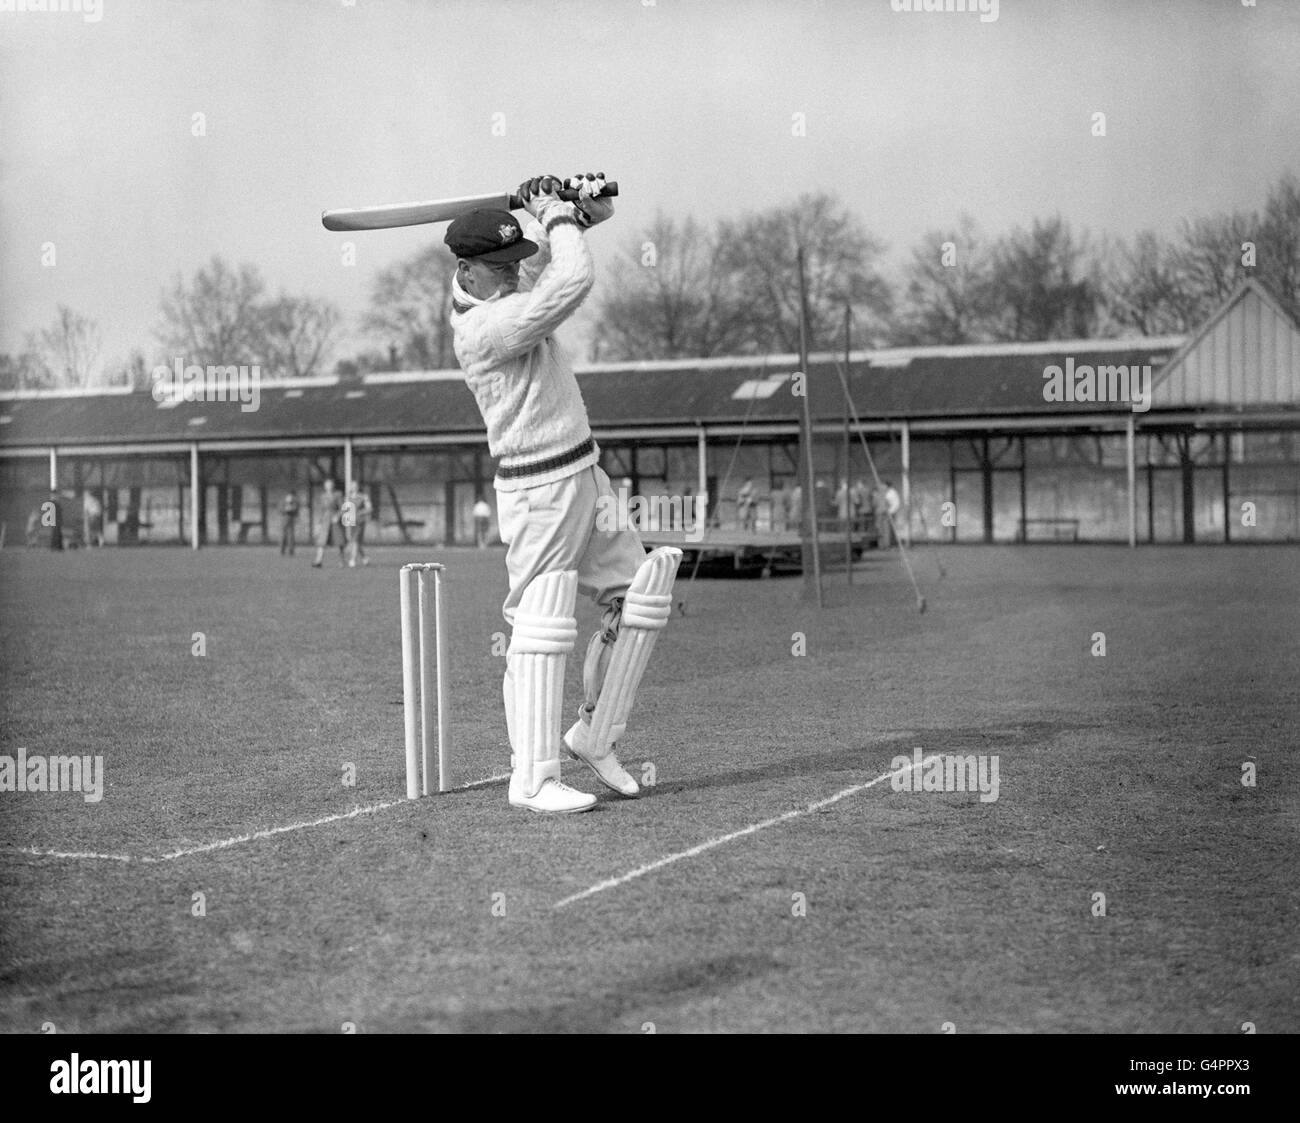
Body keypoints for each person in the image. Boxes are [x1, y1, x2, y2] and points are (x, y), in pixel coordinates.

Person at [446, 172, 682, 814]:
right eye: (501, 266)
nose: (517, 273)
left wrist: (581, 209)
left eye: (517, 261)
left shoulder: (508, 296)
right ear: (467, 272)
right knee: (541, 624)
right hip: (537, 488)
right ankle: (532, 778)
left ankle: (594, 734)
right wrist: (552, 215)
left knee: (641, 599)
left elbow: (568, 248)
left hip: (586, 473)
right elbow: (571, 280)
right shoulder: (488, 327)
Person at [311, 479, 346, 567]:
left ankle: (341, 561)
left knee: (339, 541)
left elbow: (343, 508)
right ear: (325, 486)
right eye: (327, 485)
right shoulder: (323, 496)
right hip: (325, 520)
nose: (329, 486)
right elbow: (321, 510)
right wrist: (319, 522)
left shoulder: (338, 495)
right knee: (321, 541)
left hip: (335, 520)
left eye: (330, 484)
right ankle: (318, 560)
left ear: (333, 485)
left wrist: (338, 516)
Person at [347, 481, 372, 566]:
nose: (354, 487)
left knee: (356, 540)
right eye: (352, 486)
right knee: (355, 541)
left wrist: (360, 512)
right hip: (351, 522)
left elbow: (369, 508)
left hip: (360, 521)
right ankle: (365, 558)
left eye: (355, 485)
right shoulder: (348, 497)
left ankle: (352, 559)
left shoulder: (363, 497)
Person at [279, 490, 300, 556]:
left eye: (291, 497)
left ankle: (291, 551)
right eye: (289, 497)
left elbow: (296, 512)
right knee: (283, 536)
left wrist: (292, 509)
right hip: (284, 520)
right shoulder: (283, 502)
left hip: (291, 520)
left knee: (291, 536)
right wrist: (285, 509)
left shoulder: (295, 503)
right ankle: (282, 550)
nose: (290, 498)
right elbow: (280, 510)